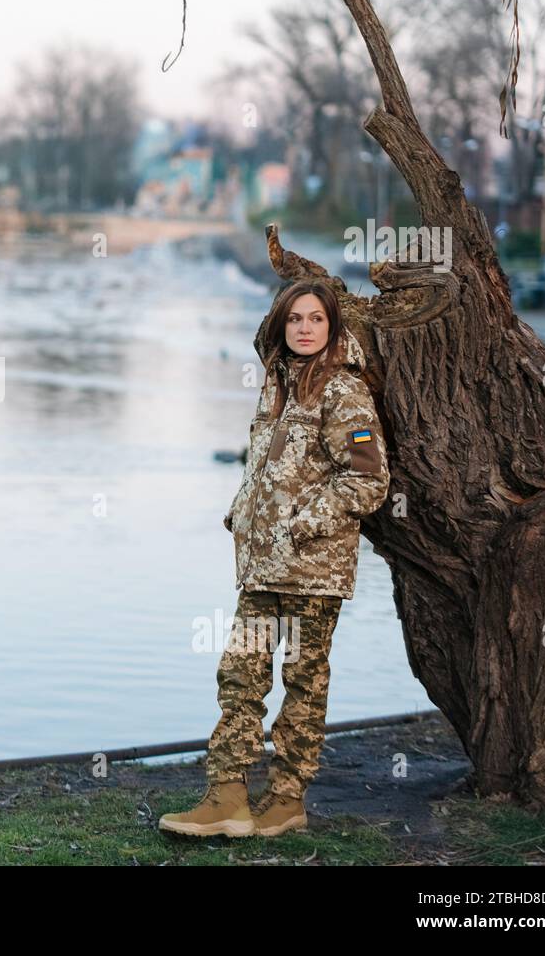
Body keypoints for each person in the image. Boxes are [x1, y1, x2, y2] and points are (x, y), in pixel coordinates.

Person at [159, 280, 390, 838]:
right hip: (262, 567)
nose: (305, 328)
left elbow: (368, 480)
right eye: (295, 319)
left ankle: (287, 800)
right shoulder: (275, 389)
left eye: (315, 319)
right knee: (239, 676)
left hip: (314, 569)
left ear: (332, 327)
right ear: (280, 327)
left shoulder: (344, 392)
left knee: (303, 685)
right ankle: (228, 796)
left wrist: (300, 524)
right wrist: (241, 510)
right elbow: (265, 469)